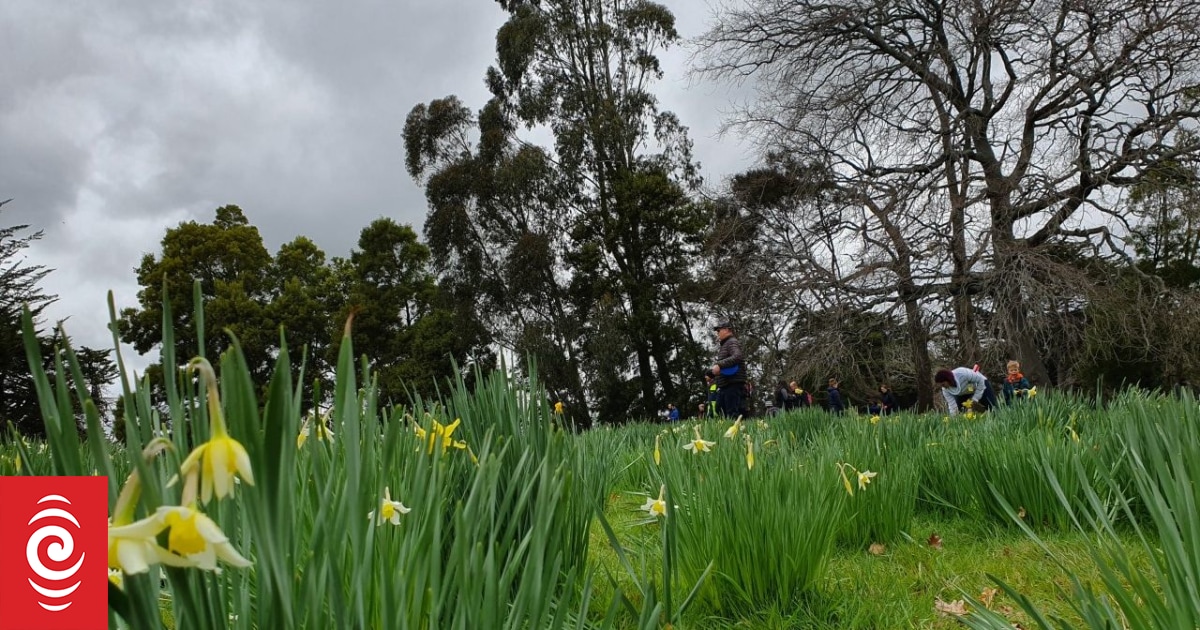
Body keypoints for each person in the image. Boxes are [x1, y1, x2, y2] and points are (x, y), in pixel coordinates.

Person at [710, 322, 747, 418]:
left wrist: (719, 365)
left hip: (732, 383)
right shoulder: (726, 344)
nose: (717, 333)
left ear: (727, 329)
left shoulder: (731, 342)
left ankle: (736, 432)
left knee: (731, 413)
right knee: (720, 410)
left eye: (719, 330)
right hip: (725, 384)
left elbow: (737, 356)